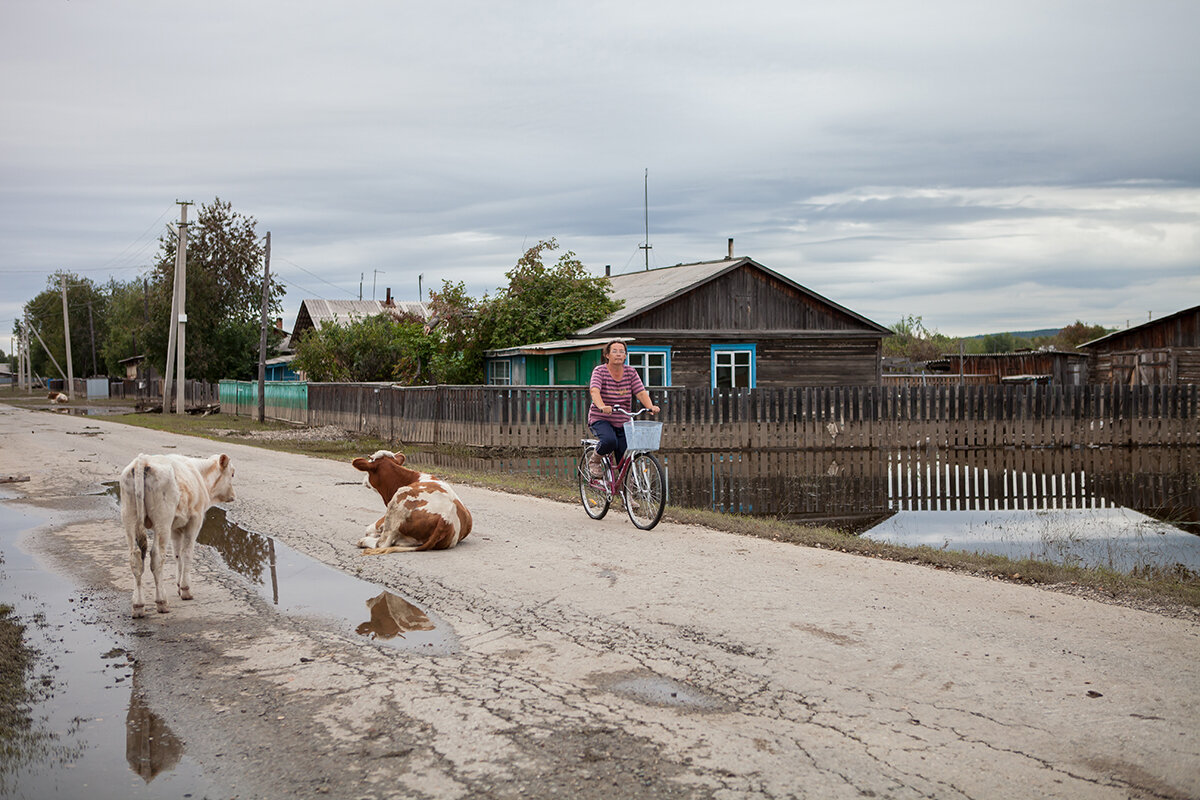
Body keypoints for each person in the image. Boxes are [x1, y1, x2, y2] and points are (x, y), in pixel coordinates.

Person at [587, 340, 660, 477]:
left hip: (623, 421)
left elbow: (641, 392)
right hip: (601, 418)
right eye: (614, 351)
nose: (619, 354)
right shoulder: (600, 371)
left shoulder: (631, 372)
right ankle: (595, 460)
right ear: (607, 355)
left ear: (626, 356)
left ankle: (628, 495)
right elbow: (594, 391)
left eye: (622, 351)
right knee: (609, 441)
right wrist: (602, 406)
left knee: (625, 456)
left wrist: (650, 406)